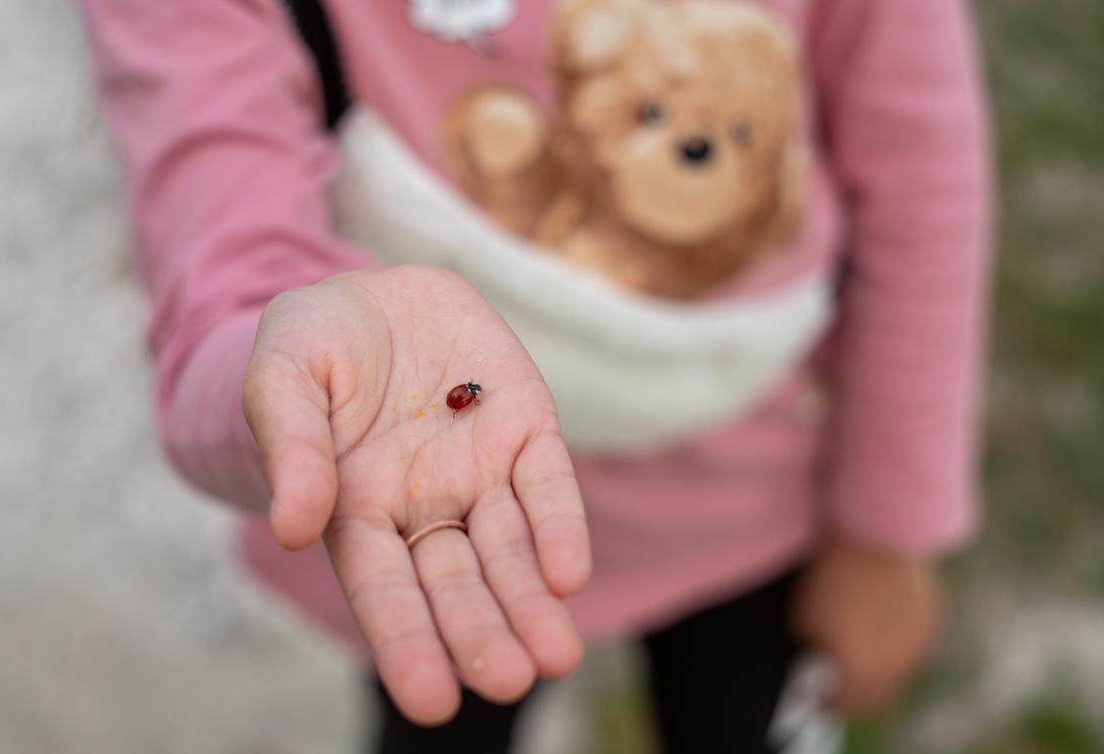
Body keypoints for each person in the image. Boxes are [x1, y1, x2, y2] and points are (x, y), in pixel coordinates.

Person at [76, 0, 992, 751]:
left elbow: (923, 173)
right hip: (438, 531)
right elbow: (221, 264)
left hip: (754, 494)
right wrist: (296, 381)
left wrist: (885, 531)